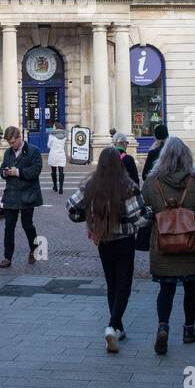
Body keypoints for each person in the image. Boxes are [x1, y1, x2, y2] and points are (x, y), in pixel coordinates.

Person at [66, 147, 151, 353]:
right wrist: (150, 213)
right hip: (124, 241)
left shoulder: (91, 184)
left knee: (112, 283)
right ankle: (112, 326)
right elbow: (138, 217)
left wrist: (90, 219)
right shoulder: (127, 186)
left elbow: (71, 208)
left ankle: (118, 327)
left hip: (103, 241)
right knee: (124, 285)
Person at [142, 137, 195, 355]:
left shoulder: (152, 181)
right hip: (191, 243)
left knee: (166, 288)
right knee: (191, 288)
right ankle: (189, 329)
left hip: (163, 245)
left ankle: (163, 326)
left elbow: (144, 211)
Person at [0, 126, 43, 268]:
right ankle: (7, 257)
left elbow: (35, 171)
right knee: (9, 227)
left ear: (19, 138)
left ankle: (34, 249)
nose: (11, 145)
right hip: (11, 194)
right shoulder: (8, 153)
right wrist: (4, 172)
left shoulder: (33, 151)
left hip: (27, 195)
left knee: (27, 225)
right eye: (9, 143)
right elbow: (2, 168)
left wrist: (17, 172)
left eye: (13, 142)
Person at [46, 124, 67, 193]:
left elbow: (48, 146)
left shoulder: (51, 136)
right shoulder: (64, 135)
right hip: (61, 154)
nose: (52, 128)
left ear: (55, 127)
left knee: (53, 171)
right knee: (61, 172)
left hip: (53, 155)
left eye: (53, 126)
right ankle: (61, 188)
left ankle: (55, 186)